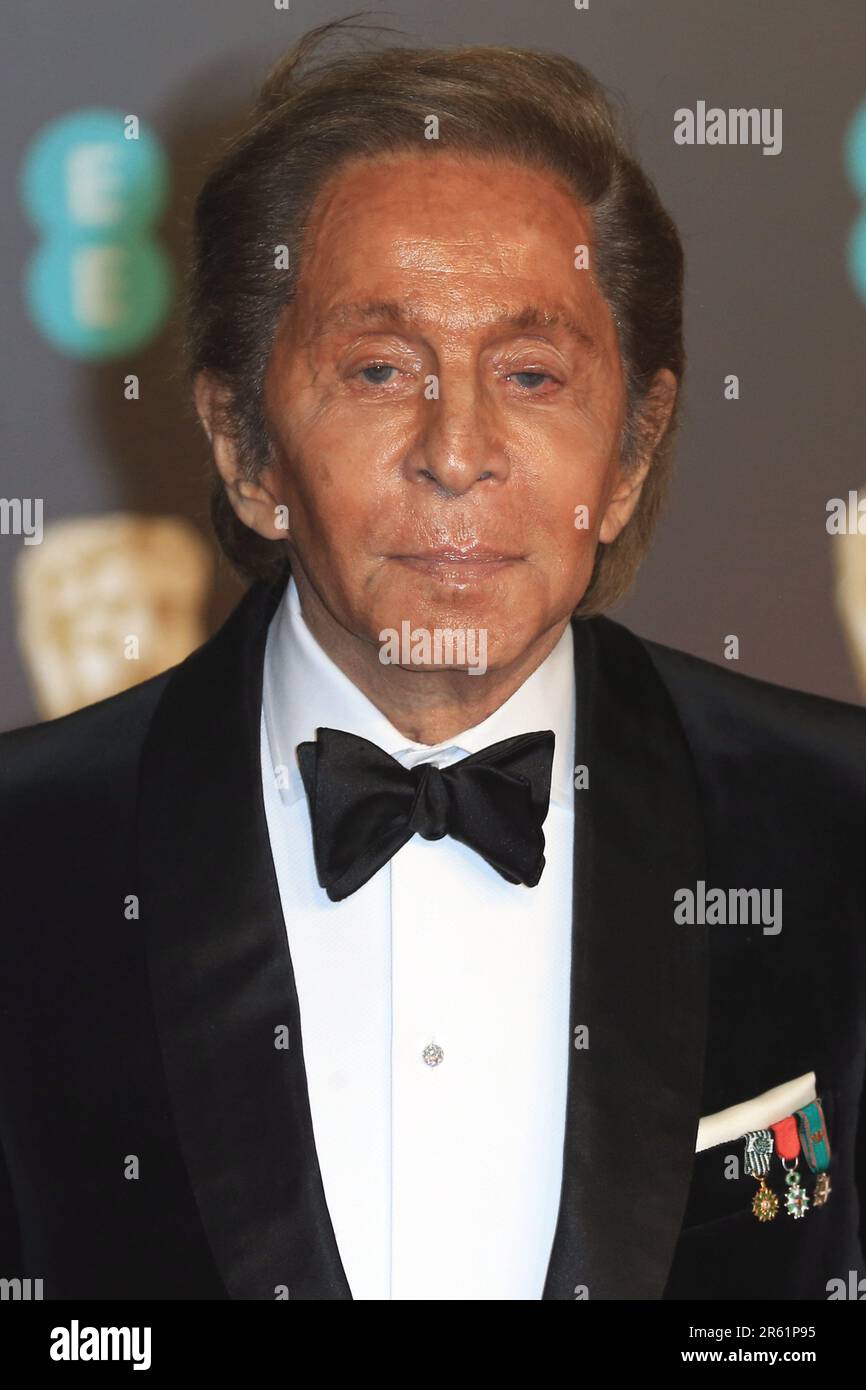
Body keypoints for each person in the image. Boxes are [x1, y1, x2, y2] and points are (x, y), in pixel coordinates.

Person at [1, 19, 865, 1301]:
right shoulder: (26, 860)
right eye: (376, 368)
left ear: (627, 453)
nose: (455, 449)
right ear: (245, 446)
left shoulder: (836, 827)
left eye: (528, 374)